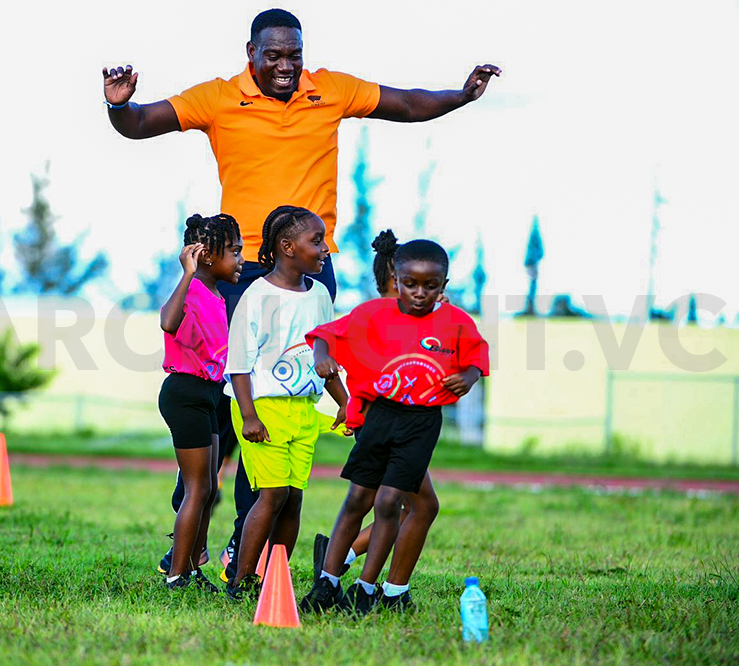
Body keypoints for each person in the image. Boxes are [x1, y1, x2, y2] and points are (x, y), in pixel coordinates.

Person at [102, 8, 501, 313]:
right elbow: (138, 123)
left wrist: (460, 96)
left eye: (295, 55)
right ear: (251, 52)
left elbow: (408, 104)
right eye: (274, 55)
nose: (286, 66)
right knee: (239, 378)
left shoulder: (330, 89)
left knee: (306, 372)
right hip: (244, 261)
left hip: (312, 258)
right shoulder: (217, 98)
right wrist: (117, 106)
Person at [299, 239, 490, 615]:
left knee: (389, 503)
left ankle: (367, 590)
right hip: (379, 415)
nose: (420, 293)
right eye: (411, 284)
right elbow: (326, 335)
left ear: (444, 285)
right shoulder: (374, 314)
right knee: (357, 499)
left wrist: (468, 377)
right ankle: (327, 583)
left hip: (420, 423)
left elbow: (476, 356)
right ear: (396, 280)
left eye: (430, 286)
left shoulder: (455, 322)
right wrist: (323, 358)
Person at [223, 205, 350, 600]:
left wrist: (344, 402)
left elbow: (325, 359)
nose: (325, 248)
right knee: (273, 494)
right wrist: (248, 416)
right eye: (316, 241)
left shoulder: (320, 297)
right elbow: (239, 364)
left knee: (293, 498)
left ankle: (273, 578)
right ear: (287, 246)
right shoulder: (257, 296)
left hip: (303, 410)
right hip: (262, 407)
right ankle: (240, 582)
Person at [157, 213, 244, 591]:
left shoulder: (218, 296)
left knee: (209, 486)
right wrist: (187, 273)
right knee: (197, 488)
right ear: (207, 256)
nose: (241, 260)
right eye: (235, 252)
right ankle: (177, 575)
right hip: (185, 393)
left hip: (209, 393)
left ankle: (192, 569)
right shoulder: (192, 289)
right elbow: (167, 321)